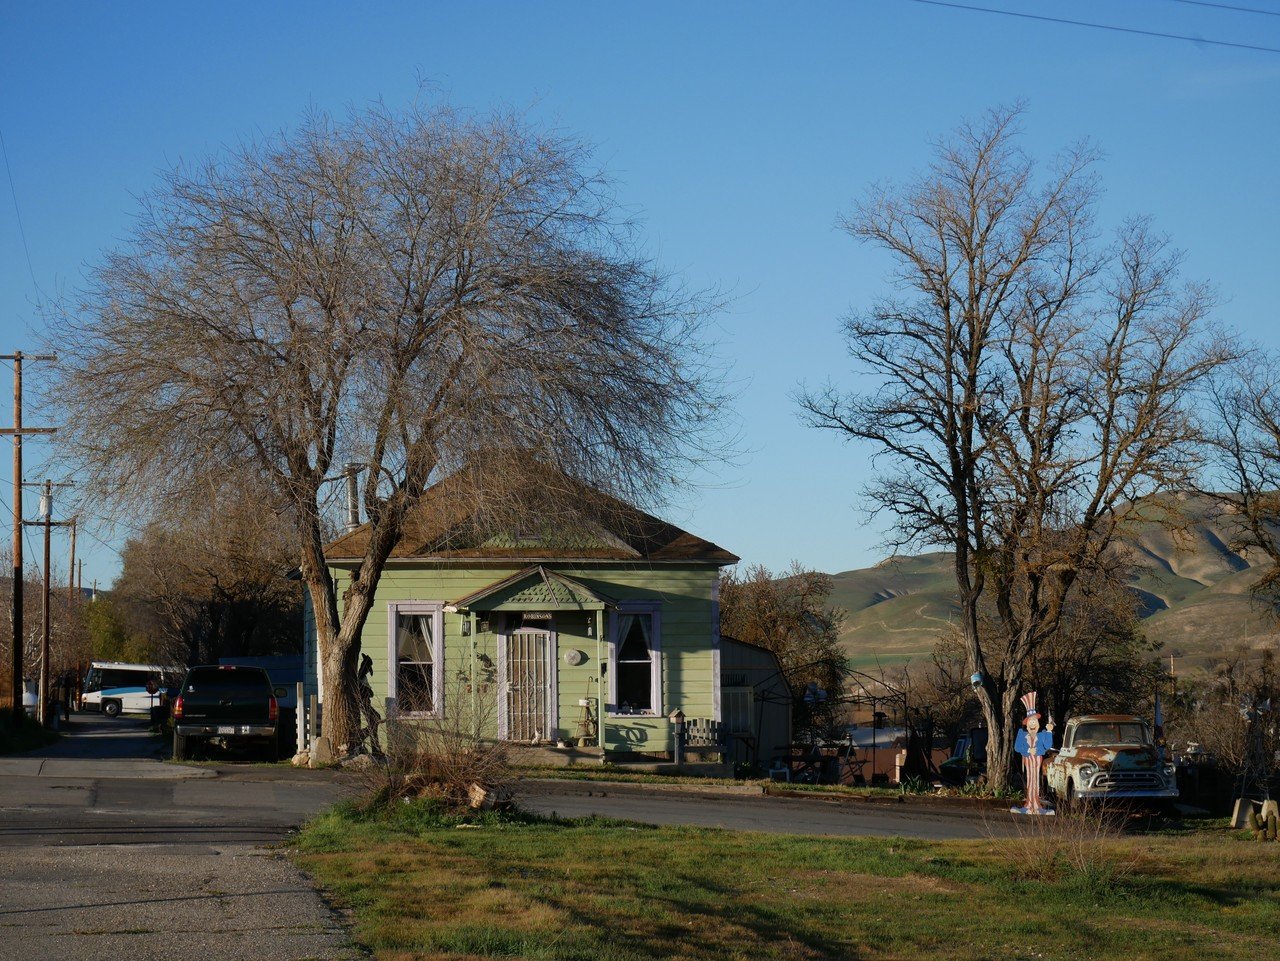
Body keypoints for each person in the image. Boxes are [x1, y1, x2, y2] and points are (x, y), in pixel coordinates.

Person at [1011, 691, 1055, 816]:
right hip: (1028, 761)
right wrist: (1028, 750)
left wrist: (1049, 731)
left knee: (1035, 781)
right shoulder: (1022, 734)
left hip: (1037, 760)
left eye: (1035, 721)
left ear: (1038, 723)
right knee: (1030, 781)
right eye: (1031, 721)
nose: (1033, 724)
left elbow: (1047, 745)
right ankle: (1029, 805)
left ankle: (1036, 805)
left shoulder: (1042, 735)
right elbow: (1017, 747)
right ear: (1027, 723)